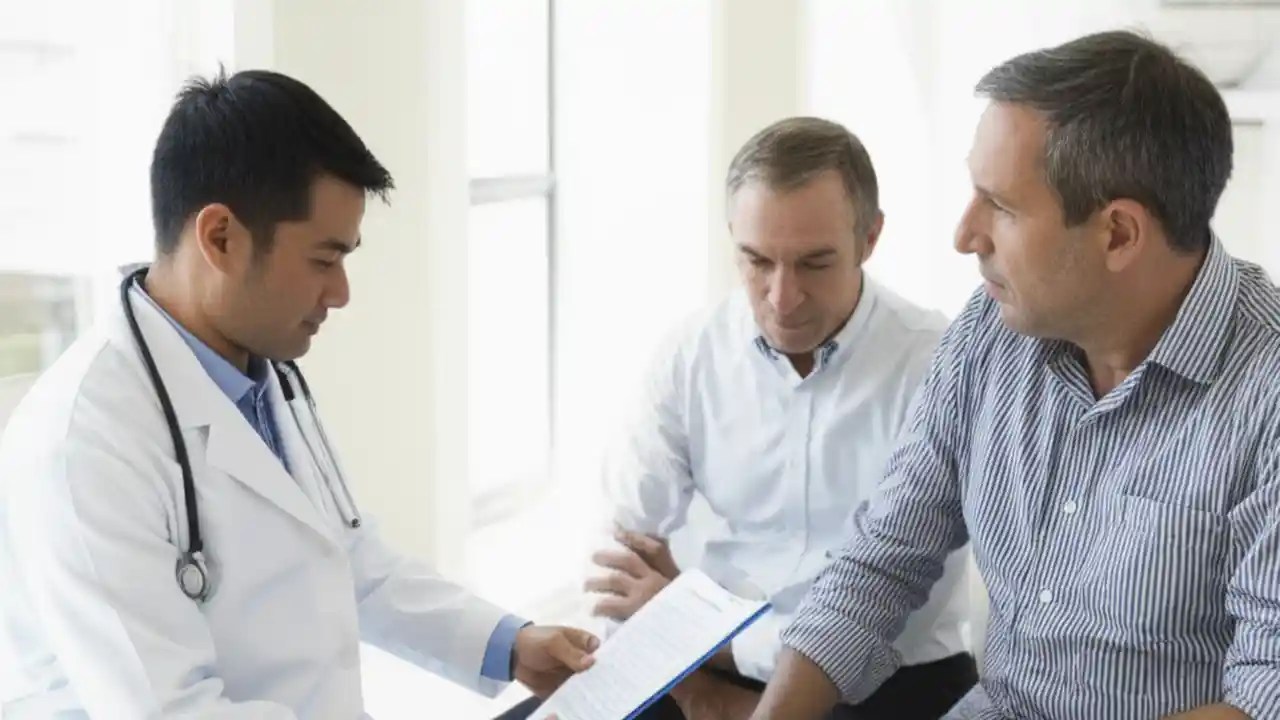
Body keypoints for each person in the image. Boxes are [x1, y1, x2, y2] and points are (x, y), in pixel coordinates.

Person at [0, 69, 594, 719]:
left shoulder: (262, 373)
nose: (341, 293)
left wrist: (510, 645)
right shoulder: (84, 442)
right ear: (220, 237)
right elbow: (170, 712)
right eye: (322, 259)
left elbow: (346, 559)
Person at [748, 31, 1280, 720]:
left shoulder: (1264, 393)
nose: (966, 234)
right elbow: (880, 563)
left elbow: (1266, 698)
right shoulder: (990, 332)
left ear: (1118, 233)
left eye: (999, 204)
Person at [500, 118, 977, 720]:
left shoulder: (939, 363)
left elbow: (884, 607)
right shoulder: (691, 353)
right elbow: (622, 552)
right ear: (732, 237)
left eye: (814, 264)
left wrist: (711, 648)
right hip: (696, 658)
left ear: (870, 237)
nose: (782, 298)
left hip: (884, 681)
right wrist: (685, 682)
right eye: (757, 261)